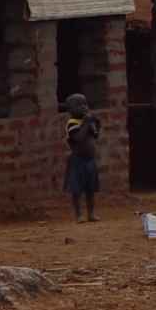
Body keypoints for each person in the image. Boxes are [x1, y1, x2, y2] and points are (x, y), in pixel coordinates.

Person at [62, 93, 102, 222]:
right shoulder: (72, 123)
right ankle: (79, 215)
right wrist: (86, 122)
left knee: (91, 189)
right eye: (78, 105)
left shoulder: (87, 121)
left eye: (84, 104)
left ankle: (91, 214)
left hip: (89, 160)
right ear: (69, 110)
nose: (83, 107)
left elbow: (94, 136)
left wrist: (97, 124)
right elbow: (78, 138)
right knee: (77, 189)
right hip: (77, 160)